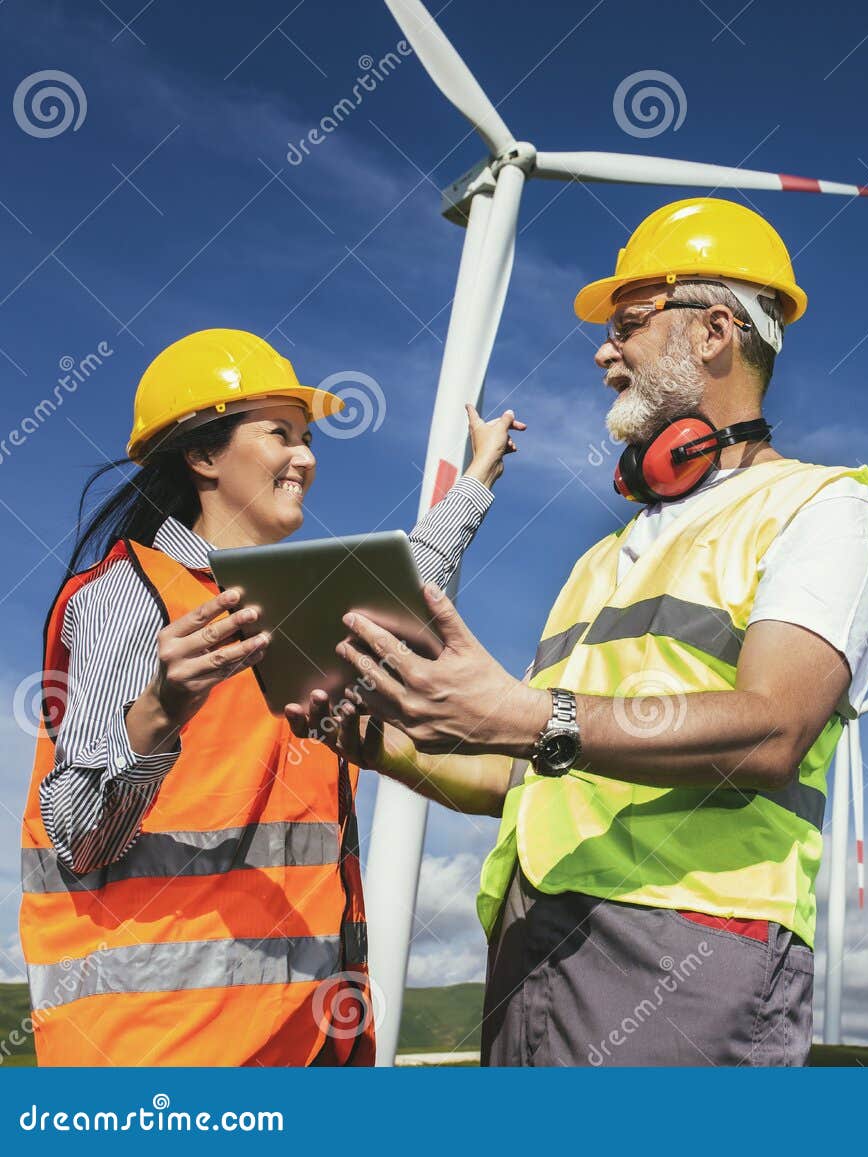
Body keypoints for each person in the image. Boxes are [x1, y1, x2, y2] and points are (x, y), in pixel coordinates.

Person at [297, 198, 868, 1066]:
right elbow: (525, 772)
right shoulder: (599, 560)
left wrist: (523, 713)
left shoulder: (824, 507)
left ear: (715, 330)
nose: (601, 352)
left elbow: (774, 727)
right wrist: (385, 744)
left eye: (627, 324)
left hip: (685, 944)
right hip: (530, 940)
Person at [18, 328, 523, 1066]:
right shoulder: (128, 596)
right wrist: (160, 710)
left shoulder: (288, 602)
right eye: (279, 434)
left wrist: (476, 478)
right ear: (202, 456)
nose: (307, 457)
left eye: (308, 438)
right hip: (162, 1057)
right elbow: (79, 836)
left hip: (305, 1040)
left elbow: (404, 582)